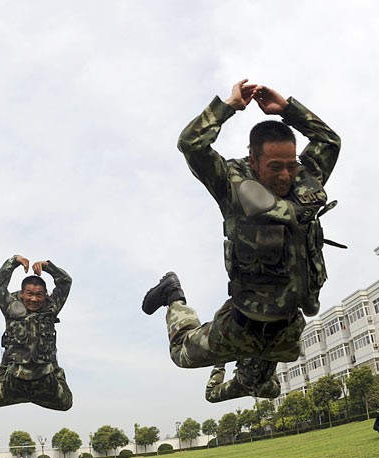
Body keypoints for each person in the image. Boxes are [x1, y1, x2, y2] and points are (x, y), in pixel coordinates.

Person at [142, 80, 341, 401]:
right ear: (253, 162)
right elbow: (191, 143)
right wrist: (228, 106)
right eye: (275, 167)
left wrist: (288, 109)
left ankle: (256, 370)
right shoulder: (231, 182)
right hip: (239, 326)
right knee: (181, 353)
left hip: (290, 327)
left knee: (267, 384)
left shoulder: (308, 178)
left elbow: (329, 140)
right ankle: (173, 295)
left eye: (290, 166)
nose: (285, 176)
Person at [0, 255, 73, 411]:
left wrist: (47, 266)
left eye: (39, 295)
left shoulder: (51, 308)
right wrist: (13, 262)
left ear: (45, 295)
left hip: (44, 376)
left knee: (66, 403)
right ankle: (3, 371)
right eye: (29, 294)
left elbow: (65, 282)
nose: (34, 299)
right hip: (16, 375)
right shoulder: (10, 307)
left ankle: (55, 374)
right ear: (22, 294)